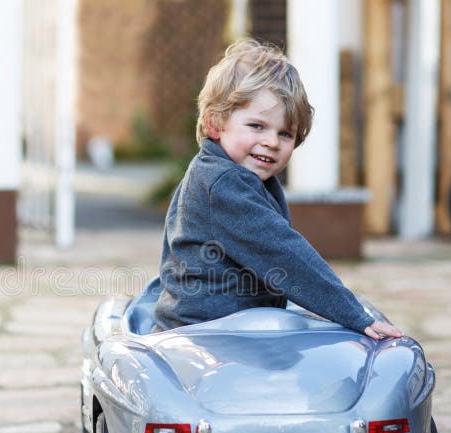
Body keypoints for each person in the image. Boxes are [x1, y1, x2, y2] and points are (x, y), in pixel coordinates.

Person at [153, 39, 402, 340]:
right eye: (257, 126)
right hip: (207, 335)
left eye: (285, 133)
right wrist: (353, 315)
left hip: (226, 325)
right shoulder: (222, 183)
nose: (272, 142)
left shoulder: (223, 173)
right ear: (215, 124)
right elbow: (284, 254)